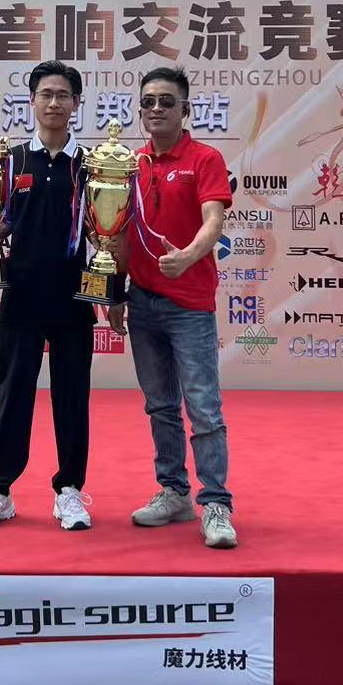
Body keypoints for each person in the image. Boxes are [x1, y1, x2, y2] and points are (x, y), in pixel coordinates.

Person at [107, 66, 237, 548]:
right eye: (148, 102)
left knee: (202, 407)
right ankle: (174, 492)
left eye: (166, 101)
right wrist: (116, 291)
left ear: (185, 109)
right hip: (143, 303)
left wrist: (189, 256)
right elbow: (118, 234)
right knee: (160, 405)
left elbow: (213, 220)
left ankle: (216, 502)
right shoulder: (130, 164)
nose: (156, 108)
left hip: (189, 304)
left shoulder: (205, 158)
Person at [0, 60, 96, 532]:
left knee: (72, 397)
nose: (54, 103)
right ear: (32, 101)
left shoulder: (93, 166)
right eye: (46, 94)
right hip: (20, 296)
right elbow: (0, 222)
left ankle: (70, 490)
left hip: (73, 298)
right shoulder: (10, 161)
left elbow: (104, 233)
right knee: (12, 393)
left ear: (76, 103)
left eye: (63, 95)